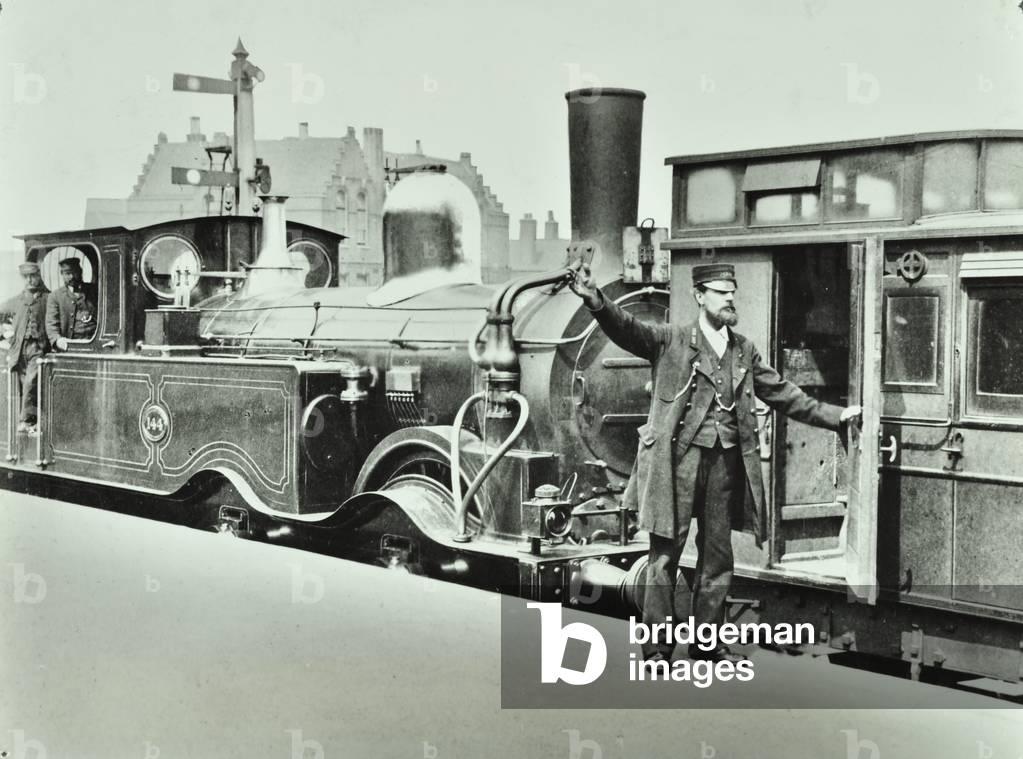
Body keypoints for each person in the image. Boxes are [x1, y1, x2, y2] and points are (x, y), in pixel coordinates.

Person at [568, 260, 861, 662]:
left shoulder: (743, 350)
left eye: (732, 292)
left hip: (725, 465)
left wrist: (836, 416)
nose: (729, 299)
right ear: (699, 296)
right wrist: (596, 301)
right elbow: (627, 328)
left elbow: (784, 394)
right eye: (721, 293)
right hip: (676, 464)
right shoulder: (670, 340)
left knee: (718, 557)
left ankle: (707, 646)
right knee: (665, 556)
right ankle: (656, 649)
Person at [2, 262, 50, 433]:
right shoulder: (16, 301)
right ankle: (31, 422)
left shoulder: (48, 299)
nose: (30, 280)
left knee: (31, 382)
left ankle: (25, 422)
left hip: (38, 347)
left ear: (39, 276)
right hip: (18, 349)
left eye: (33, 276)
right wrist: (4, 334)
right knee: (24, 385)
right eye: (26, 277)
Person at [46, 257, 97, 350]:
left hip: (93, 342)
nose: (72, 276)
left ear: (80, 272)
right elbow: (51, 324)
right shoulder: (55, 296)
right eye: (68, 274)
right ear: (62, 274)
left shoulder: (94, 290)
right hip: (70, 345)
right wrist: (58, 340)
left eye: (75, 272)